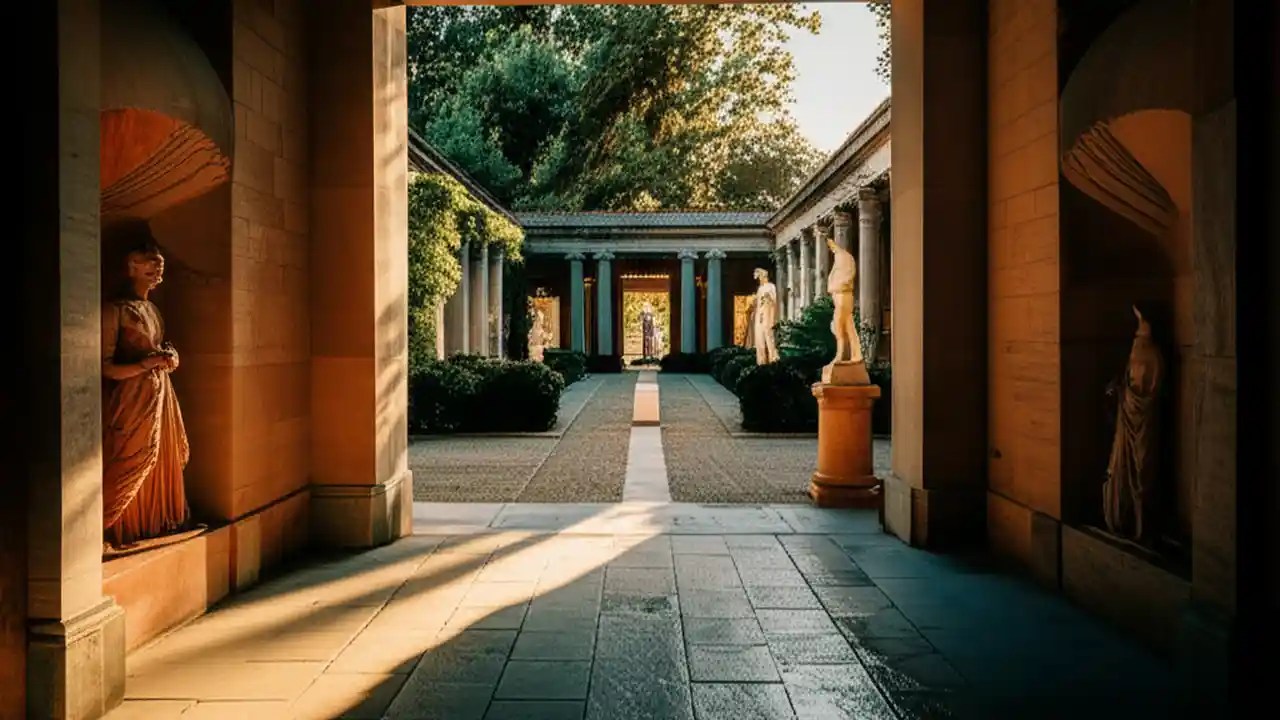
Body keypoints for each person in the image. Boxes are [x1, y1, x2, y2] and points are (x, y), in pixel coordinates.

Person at [101, 225, 192, 549]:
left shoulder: (152, 309)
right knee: (130, 458)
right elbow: (105, 367)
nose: (156, 268)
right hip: (132, 397)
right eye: (148, 262)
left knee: (161, 457)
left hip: (160, 394)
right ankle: (119, 525)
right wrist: (145, 365)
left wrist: (168, 358)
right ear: (130, 267)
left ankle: (156, 522)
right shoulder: (115, 310)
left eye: (159, 263)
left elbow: (156, 347)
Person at [752, 268, 779, 364]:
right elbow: (758, 304)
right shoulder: (760, 289)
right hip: (759, 316)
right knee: (759, 341)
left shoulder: (771, 286)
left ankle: (773, 361)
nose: (760, 280)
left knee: (769, 339)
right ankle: (761, 363)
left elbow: (773, 301)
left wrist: (768, 297)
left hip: (767, 316)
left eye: (760, 277)